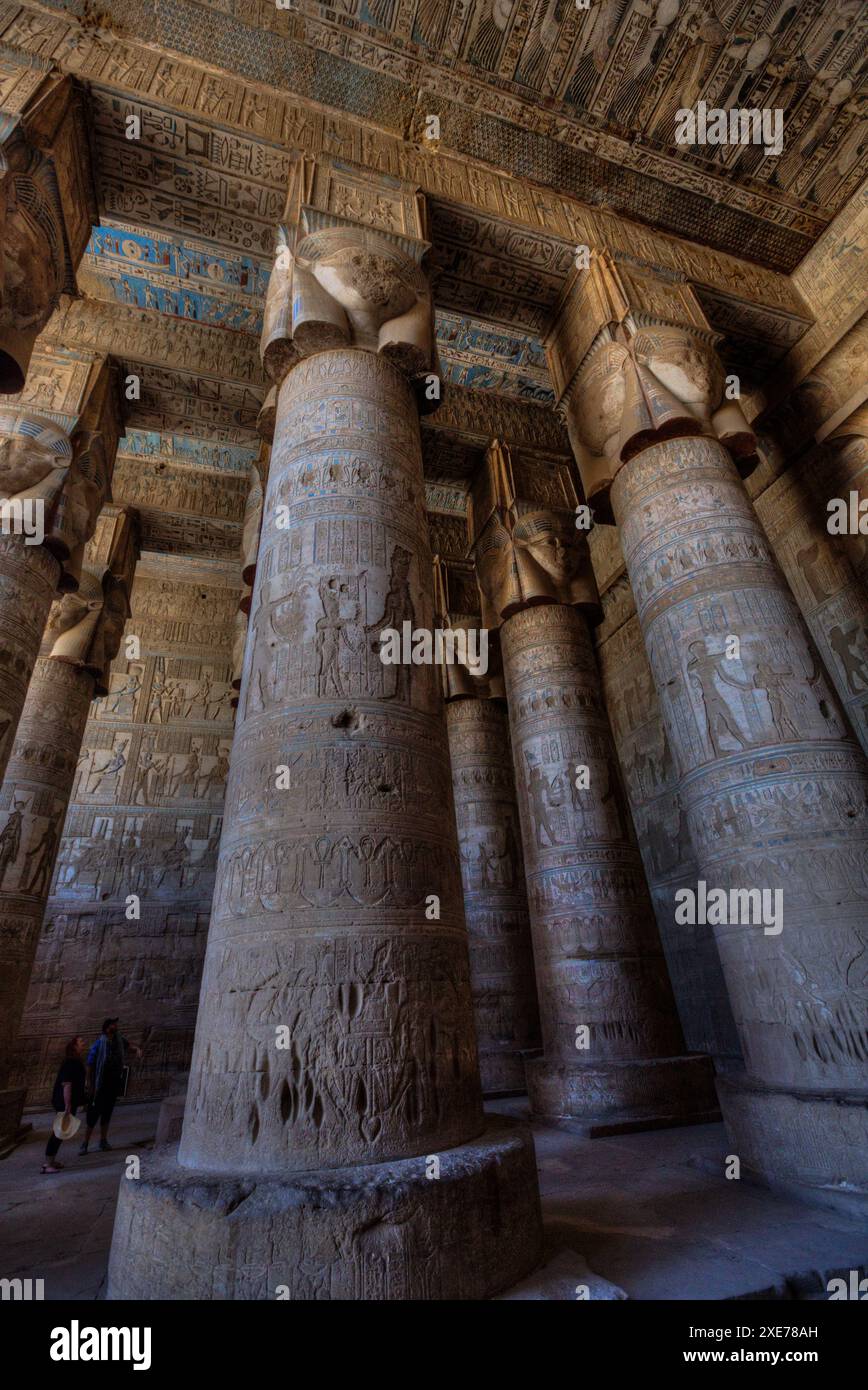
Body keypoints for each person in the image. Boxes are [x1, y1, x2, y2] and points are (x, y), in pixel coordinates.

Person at [79, 1018, 142, 1155]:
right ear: (107, 1028)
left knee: (107, 1112)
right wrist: (88, 1081)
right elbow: (90, 1063)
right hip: (100, 1083)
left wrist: (136, 1049)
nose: (116, 1026)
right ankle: (85, 1143)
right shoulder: (99, 1044)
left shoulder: (119, 1040)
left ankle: (103, 1140)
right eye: (113, 1024)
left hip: (113, 1083)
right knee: (93, 1114)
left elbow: (128, 1046)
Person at [42, 1037, 86, 1175]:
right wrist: (67, 1105)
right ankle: (47, 1164)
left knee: (61, 1132)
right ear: (74, 1046)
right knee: (58, 1132)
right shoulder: (70, 1062)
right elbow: (67, 1084)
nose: (83, 1043)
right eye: (80, 1042)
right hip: (64, 1102)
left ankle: (51, 1160)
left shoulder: (74, 1061)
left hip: (67, 1102)